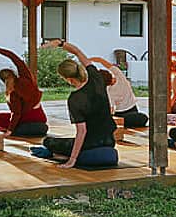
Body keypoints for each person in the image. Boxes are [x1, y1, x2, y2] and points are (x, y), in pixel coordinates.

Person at [32, 39, 118, 168]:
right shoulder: (96, 78)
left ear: (69, 79)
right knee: (67, 141)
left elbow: (82, 132)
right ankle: (63, 155)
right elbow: (77, 52)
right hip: (109, 141)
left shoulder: (75, 99)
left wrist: (72, 160)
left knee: (49, 141)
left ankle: (60, 155)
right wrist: (60, 44)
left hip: (89, 144)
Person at [0, 40, 49, 137]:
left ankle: (5, 128)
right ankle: (10, 128)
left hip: (26, 118)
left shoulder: (12, 93)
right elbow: (14, 58)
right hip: (41, 117)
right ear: (14, 73)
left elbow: (16, 114)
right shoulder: (26, 77)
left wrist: (9, 131)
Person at [89, 56, 149, 129]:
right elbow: (111, 108)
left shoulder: (120, 77)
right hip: (119, 114)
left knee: (143, 118)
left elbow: (104, 63)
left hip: (131, 109)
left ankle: (120, 122)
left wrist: (90, 60)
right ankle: (120, 122)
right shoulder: (108, 89)